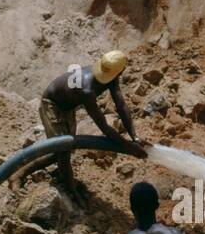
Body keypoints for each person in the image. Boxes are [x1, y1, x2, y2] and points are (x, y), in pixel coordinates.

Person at [40, 51, 145, 196]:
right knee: (63, 150)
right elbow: (104, 127)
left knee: (63, 149)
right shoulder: (86, 89)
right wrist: (129, 148)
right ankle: (72, 193)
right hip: (53, 104)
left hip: (67, 106)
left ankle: (25, 171)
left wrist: (135, 137)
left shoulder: (111, 76)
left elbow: (121, 105)